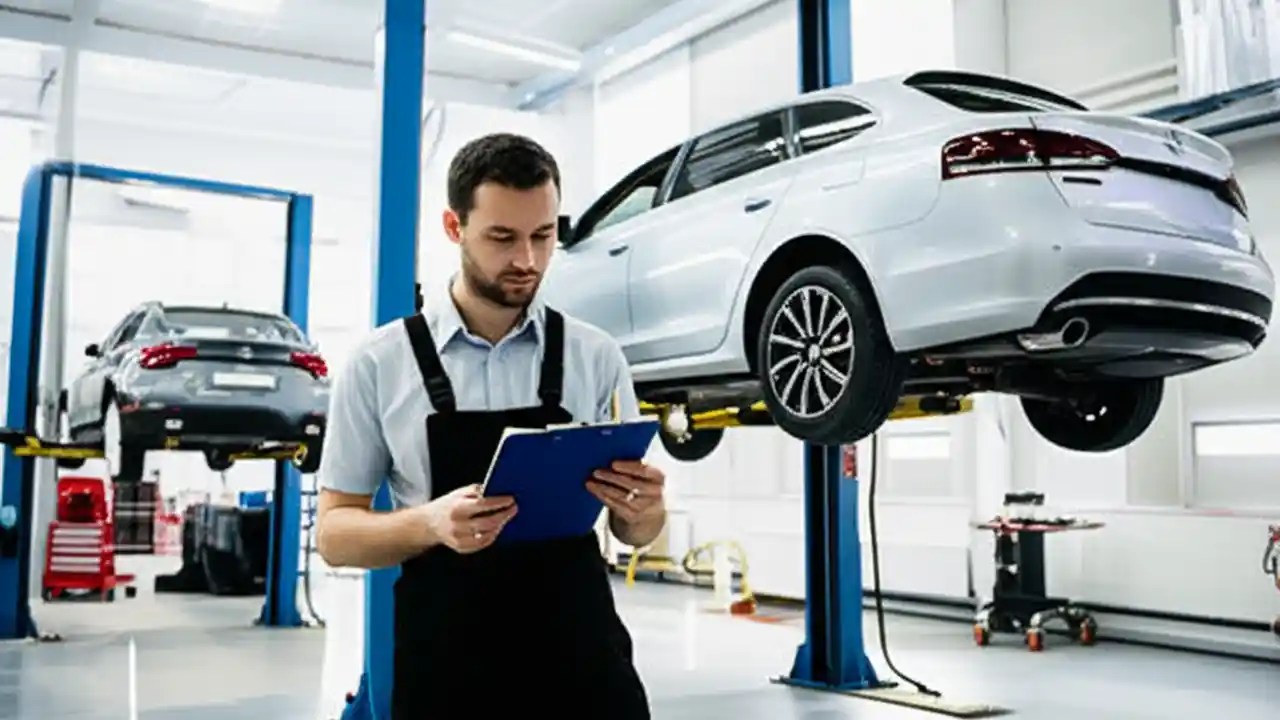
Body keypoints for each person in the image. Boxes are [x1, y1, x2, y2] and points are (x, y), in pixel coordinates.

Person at [314, 132, 666, 719]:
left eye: (543, 236)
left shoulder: (596, 357)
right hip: (451, 668)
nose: (527, 260)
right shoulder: (379, 364)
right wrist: (430, 522)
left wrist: (643, 509)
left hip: (582, 661)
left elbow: (638, 534)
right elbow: (334, 535)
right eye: (502, 238)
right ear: (455, 228)